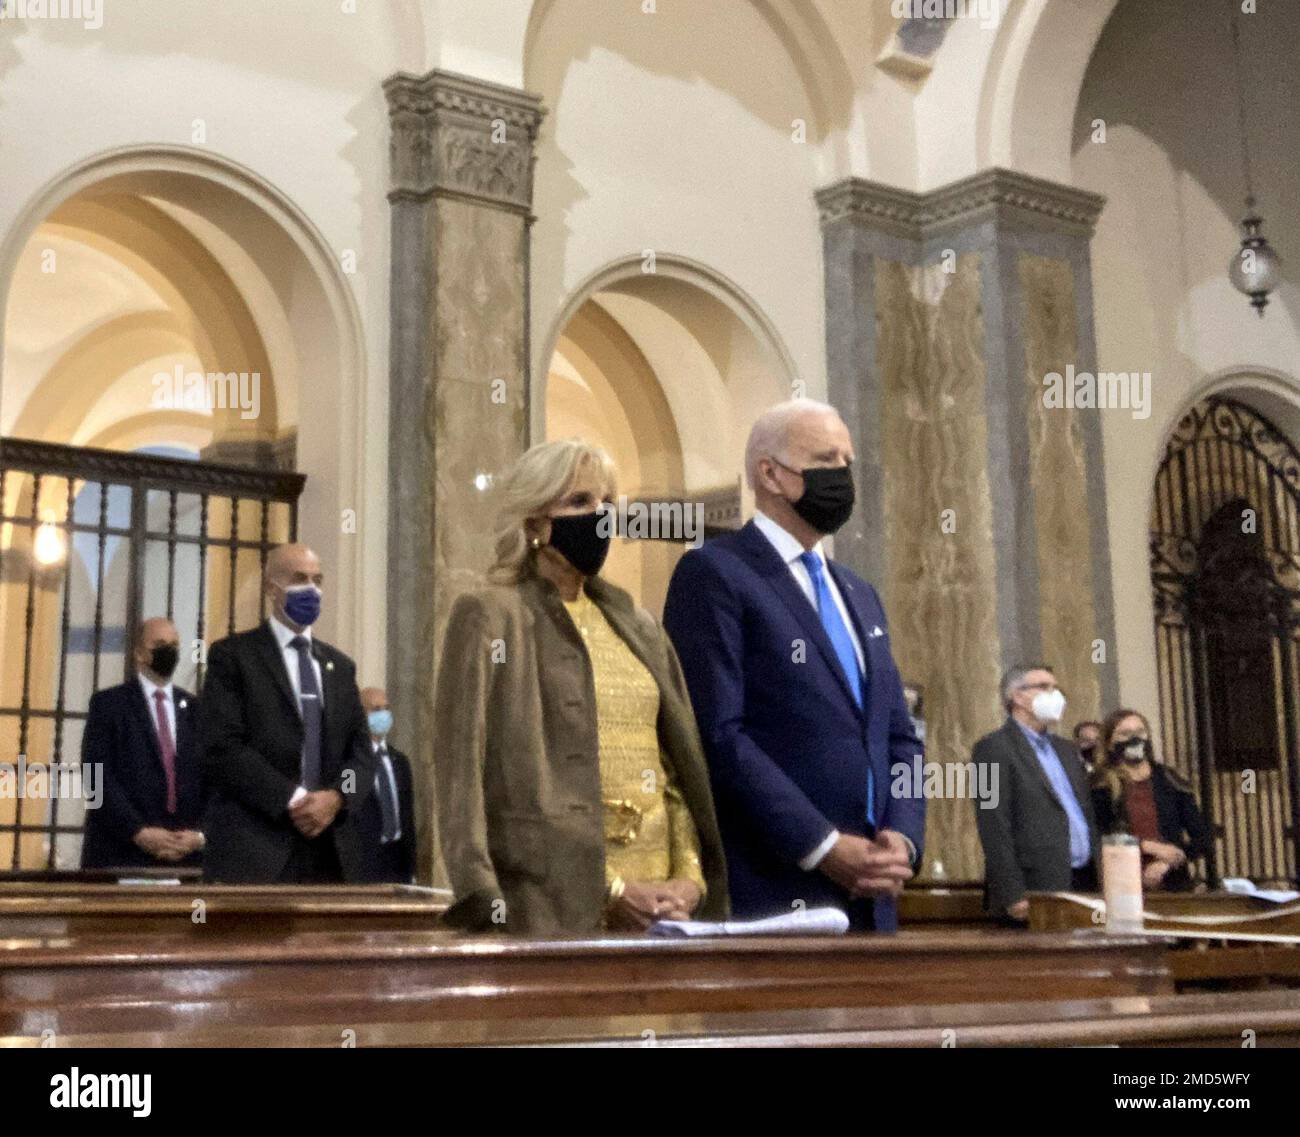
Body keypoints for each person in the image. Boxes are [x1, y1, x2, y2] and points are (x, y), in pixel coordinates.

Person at [434, 439, 727, 934]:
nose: (599, 516)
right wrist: (605, 889)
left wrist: (689, 878)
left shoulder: (638, 624)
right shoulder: (491, 615)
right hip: (549, 905)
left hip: (665, 912)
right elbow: (462, 774)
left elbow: (675, 769)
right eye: (579, 502)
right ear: (534, 523)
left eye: (606, 505)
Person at [662, 398, 924, 932]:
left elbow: (899, 734)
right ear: (771, 474)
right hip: (776, 886)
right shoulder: (716, 574)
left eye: (848, 462)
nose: (843, 476)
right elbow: (719, 735)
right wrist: (822, 844)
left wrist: (904, 837)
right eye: (827, 460)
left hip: (876, 891)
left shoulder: (859, 592)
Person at [198, 543, 375, 883]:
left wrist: (337, 796)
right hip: (256, 849)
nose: (311, 589)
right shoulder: (234, 657)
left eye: (317, 580)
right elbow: (223, 747)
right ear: (271, 588)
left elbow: (360, 753)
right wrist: (293, 799)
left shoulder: (339, 667)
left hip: (329, 851)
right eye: (299, 578)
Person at [972, 665, 1101, 922]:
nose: (1054, 695)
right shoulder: (990, 749)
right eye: (1044, 687)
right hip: (1034, 886)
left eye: (1055, 688)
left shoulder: (1066, 750)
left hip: (1085, 880)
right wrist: (1012, 892)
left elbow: (1084, 813)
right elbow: (992, 825)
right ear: (1017, 697)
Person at [80, 617, 206, 869]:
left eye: (174, 644)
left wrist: (199, 835)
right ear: (139, 653)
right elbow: (95, 776)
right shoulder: (109, 704)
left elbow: (212, 778)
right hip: (121, 852)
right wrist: (138, 831)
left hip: (185, 856)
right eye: (159, 643)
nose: (168, 650)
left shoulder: (195, 709)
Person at [1091, 708, 1211, 892]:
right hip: (1121, 883)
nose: (1134, 738)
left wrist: (1168, 860)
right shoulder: (1100, 785)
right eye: (1125, 734)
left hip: (1173, 884)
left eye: (1140, 732)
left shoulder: (1169, 779)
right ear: (1109, 743)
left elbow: (1202, 836)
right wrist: (1147, 846)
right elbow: (1099, 833)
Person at [353, 686, 416, 884]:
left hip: (397, 861)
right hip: (364, 862)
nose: (383, 715)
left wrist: (412, 867)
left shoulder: (400, 761)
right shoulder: (351, 761)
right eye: (376, 709)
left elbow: (407, 817)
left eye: (386, 708)